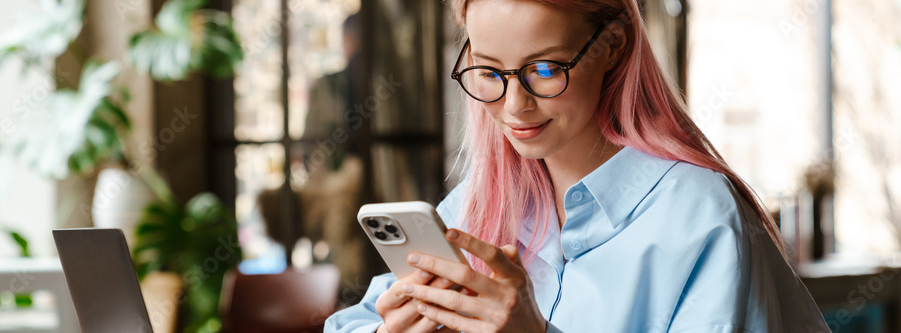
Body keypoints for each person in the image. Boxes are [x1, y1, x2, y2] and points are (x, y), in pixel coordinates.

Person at [325, 0, 831, 332]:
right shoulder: (475, 207)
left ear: (613, 45)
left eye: (545, 68)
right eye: (488, 71)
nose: (514, 105)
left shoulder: (700, 217)